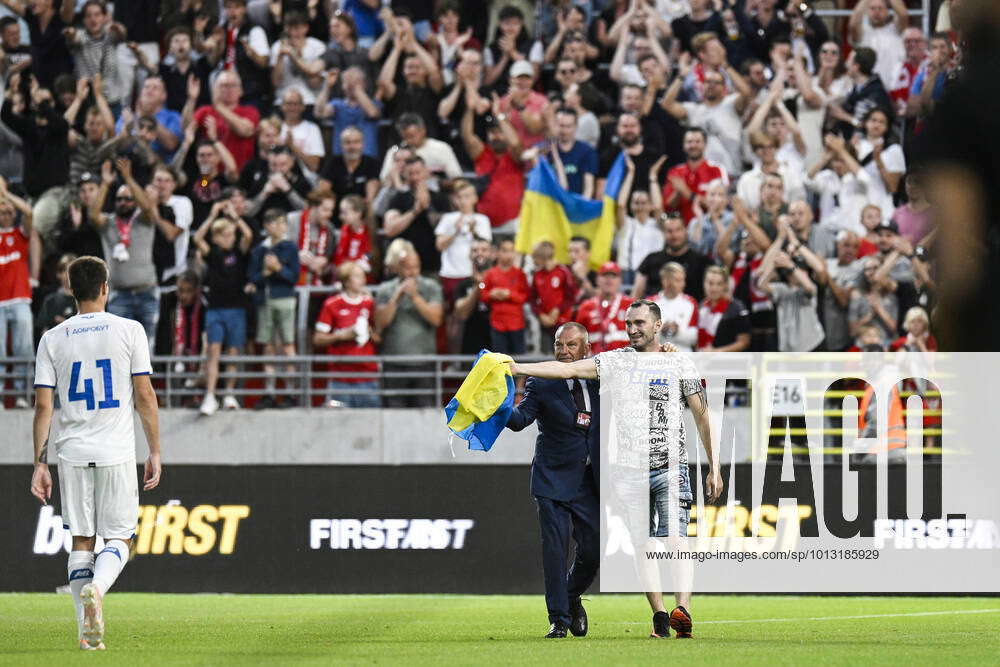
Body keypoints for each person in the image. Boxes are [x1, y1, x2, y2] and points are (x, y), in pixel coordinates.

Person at [508, 299, 721, 641]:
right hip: (627, 472)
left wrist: (714, 466)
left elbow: (702, 414)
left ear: (657, 325)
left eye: (640, 322)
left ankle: (683, 609)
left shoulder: (679, 363)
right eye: (628, 322)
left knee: (675, 539)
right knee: (643, 546)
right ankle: (659, 616)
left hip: (669, 466)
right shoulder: (616, 362)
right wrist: (517, 367)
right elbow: (565, 370)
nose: (633, 328)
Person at [31, 255, 162, 651]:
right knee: (120, 538)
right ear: (106, 288)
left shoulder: (52, 338)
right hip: (116, 450)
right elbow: (145, 395)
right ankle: (99, 591)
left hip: (71, 453)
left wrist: (39, 462)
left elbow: (43, 406)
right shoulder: (130, 330)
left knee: (81, 542)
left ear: (71, 290)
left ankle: (87, 639)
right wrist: (154, 449)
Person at [505, 322, 600, 639]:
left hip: (588, 480)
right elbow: (520, 420)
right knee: (555, 552)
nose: (564, 351)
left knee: (595, 549)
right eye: (560, 345)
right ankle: (559, 619)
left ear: (586, 349)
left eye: (572, 345)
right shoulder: (542, 382)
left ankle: (571, 597)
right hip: (552, 479)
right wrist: (499, 407)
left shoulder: (601, 381)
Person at [88, 159, 169, 348]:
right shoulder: (107, 223)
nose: (123, 202)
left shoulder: (144, 220)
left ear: (135, 201)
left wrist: (128, 178)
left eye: (128, 199)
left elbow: (148, 207)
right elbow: (92, 215)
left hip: (147, 292)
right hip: (119, 296)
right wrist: (106, 183)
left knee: (147, 348)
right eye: (119, 199)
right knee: (119, 348)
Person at [190, 213, 254, 416]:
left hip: (236, 309)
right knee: (213, 351)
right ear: (217, 237)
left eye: (232, 235)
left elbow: (248, 235)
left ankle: (229, 394)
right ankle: (210, 395)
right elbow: (198, 238)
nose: (230, 238)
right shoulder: (213, 253)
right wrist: (212, 215)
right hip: (216, 309)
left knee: (234, 352)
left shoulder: (239, 252)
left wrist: (235, 218)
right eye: (225, 235)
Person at [373, 249, 443, 408]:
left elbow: (436, 319)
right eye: (407, 268)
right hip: (393, 363)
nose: (412, 272)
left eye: (415, 267)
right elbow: (380, 324)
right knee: (393, 412)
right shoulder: (386, 289)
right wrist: (396, 298)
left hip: (424, 363)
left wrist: (415, 297)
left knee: (425, 412)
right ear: (398, 268)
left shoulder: (431, 287)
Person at [248, 209, 300, 409]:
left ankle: (290, 391)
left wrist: (277, 268)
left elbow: (293, 277)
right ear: (267, 226)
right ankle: (269, 391)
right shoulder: (260, 250)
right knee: (268, 345)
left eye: (282, 223)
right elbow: (253, 277)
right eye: (275, 223)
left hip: (285, 299)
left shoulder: (290, 248)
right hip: (266, 301)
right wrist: (265, 272)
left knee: (288, 344)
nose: (280, 227)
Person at [314, 261, 379, 408]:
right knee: (338, 426)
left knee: (371, 426)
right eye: (358, 276)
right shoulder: (331, 304)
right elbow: (318, 339)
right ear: (346, 280)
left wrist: (369, 332)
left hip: (367, 377)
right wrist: (341, 336)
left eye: (363, 276)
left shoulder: (370, 304)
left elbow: (380, 336)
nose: (363, 280)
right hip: (339, 378)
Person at [0, 177, 34, 406]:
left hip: (20, 299)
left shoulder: (21, 235)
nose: (6, 213)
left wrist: (6, 194)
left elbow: (29, 213)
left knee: (24, 349)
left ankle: (22, 394)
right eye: (1, 209)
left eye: (9, 210)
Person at [633, 215, 712, 302]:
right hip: (655, 311)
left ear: (686, 231)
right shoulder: (651, 259)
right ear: (663, 233)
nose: (674, 235)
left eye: (678, 230)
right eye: (669, 231)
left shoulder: (702, 261)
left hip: (690, 312)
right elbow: (636, 294)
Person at [615, 156, 666, 285]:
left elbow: (659, 206)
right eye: (636, 203)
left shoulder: (657, 225)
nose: (639, 206)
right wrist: (631, 173)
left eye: (643, 203)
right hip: (627, 272)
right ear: (631, 206)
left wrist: (653, 178)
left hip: (652, 272)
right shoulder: (626, 223)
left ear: (651, 205)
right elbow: (620, 205)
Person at [662, 128, 728, 226]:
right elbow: (667, 207)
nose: (693, 145)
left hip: (711, 228)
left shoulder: (717, 170)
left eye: (697, 142)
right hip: (681, 230)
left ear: (705, 144)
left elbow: (721, 205)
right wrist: (678, 193)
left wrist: (688, 193)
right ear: (683, 145)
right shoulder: (675, 171)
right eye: (689, 142)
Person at [480, 238, 529, 354]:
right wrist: (492, 294)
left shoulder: (520, 274)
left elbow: (525, 297)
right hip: (497, 324)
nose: (508, 254)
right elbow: (483, 295)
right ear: (497, 253)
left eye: (511, 251)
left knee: (519, 358)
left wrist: (509, 294)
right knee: (499, 359)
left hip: (516, 323)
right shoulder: (490, 274)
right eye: (505, 251)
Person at [530, 240, 577, 355]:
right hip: (545, 323)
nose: (533, 260)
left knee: (564, 354)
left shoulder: (563, 272)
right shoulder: (537, 275)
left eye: (535, 257)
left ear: (543, 257)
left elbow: (571, 297)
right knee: (546, 356)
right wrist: (541, 315)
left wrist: (557, 310)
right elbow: (532, 299)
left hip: (563, 322)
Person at [849, 0, 908, 90]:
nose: (876, 11)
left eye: (880, 8)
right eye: (872, 8)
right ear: (866, 12)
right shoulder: (863, 32)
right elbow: (853, 24)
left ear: (888, 12)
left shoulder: (896, 30)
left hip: (893, 87)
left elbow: (903, 15)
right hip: (867, 88)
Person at [576, 262, 633, 354]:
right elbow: (578, 339)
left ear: (620, 280)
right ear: (597, 280)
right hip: (593, 363)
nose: (609, 279)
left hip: (624, 363)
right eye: (605, 275)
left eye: (613, 276)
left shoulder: (631, 305)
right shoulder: (586, 307)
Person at [697, 266, 751, 351]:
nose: (714, 288)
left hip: (728, 361)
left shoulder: (737, 308)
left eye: (719, 284)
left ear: (725, 285)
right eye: (710, 283)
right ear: (704, 283)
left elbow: (744, 342)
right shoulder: (701, 306)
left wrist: (717, 352)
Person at [651, 263, 699, 351]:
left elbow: (695, 337)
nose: (683, 284)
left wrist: (677, 332)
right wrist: (662, 331)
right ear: (665, 281)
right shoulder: (650, 303)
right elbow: (644, 336)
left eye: (682, 280)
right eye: (678, 280)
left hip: (683, 356)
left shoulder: (690, 303)